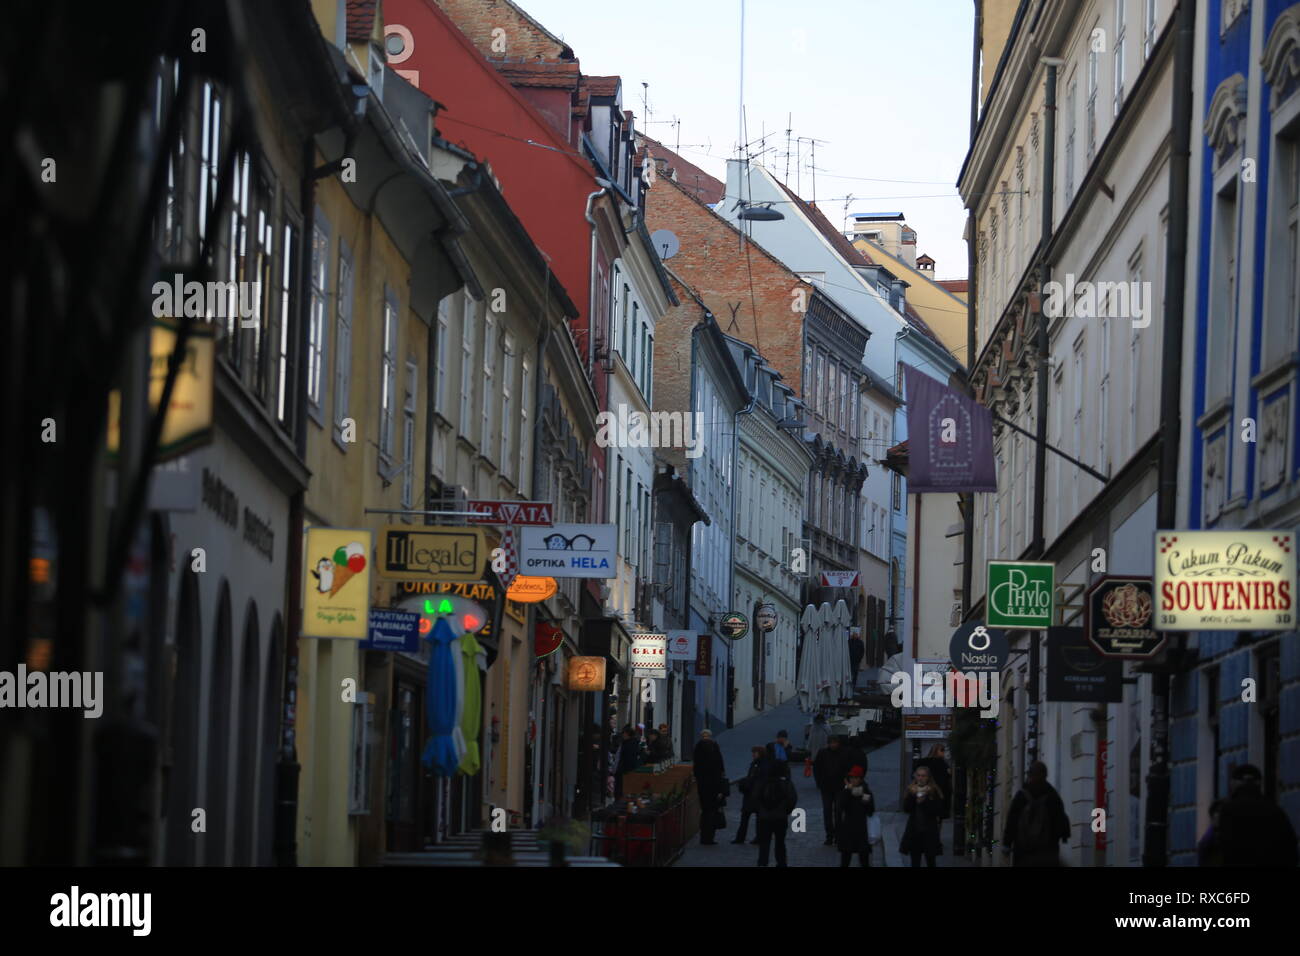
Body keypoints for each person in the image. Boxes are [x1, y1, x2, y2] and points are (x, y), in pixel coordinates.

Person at [1203, 764, 1299, 867]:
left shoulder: (1227, 811)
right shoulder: (1275, 810)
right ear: (1259, 784)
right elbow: (1290, 848)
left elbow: (1216, 847)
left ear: (1233, 784)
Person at [1002, 761, 1071, 867]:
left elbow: (1012, 821)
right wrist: (1063, 836)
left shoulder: (1021, 796)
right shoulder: (1052, 796)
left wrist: (1007, 844)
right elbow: (1060, 820)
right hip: (1047, 852)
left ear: (1029, 775)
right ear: (1045, 775)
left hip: (1023, 852)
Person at [755, 761, 798, 867]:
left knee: (764, 843)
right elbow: (792, 799)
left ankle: (762, 863)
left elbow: (755, 797)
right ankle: (781, 863)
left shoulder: (762, 781)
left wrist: (760, 810)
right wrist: (786, 811)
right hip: (780, 817)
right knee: (780, 842)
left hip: (764, 817)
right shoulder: (786, 783)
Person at [901, 765, 944, 867]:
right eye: (919, 775)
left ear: (928, 777)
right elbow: (906, 808)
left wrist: (925, 801)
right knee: (915, 861)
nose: (920, 778)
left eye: (923, 776)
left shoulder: (933, 791)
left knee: (931, 861)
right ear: (915, 776)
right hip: (914, 831)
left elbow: (938, 810)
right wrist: (913, 796)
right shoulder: (911, 790)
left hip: (929, 831)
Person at [692, 729, 727, 845]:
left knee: (706, 811)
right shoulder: (713, 747)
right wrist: (720, 789)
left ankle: (705, 837)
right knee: (711, 812)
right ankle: (709, 837)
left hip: (703, 785)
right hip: (713, 786)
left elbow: (696, 767)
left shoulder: (699, 748)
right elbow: (720, 768)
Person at [835, 765, 874, 867]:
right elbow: (840, 806)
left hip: (861, 830)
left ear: (861, 779)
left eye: (856, 777)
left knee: (864, 860)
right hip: (848, 830)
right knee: (845, 861)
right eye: (851, 777)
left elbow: (870, 810)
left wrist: (863, 798)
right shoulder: (846, 791)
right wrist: (848, 791)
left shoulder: (866, 791)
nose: (853, 780)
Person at [813, 736, 848, 845]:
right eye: (831, 743)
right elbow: (816, 768)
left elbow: (847, 768)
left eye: (835, 743)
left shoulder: (843, 753)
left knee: (838, 811)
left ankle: (838, 835)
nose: (833, 745)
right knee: (827, 811)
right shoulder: (823, 753)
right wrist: (819, 782)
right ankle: (829, 835)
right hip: (826, 787)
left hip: (839, 787)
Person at [732, 745, 768, 844]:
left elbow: (757, 780)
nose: (753, 754)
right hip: (750, 795)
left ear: (760, 753)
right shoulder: (755, 764)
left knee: (755, 818)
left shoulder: (762, 765)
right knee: (746, 817)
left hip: (756, 795)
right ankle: (741, 838)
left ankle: (756, 838)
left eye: (755, 752)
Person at [614, 725, 641, 798]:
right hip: (626, 769)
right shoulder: (631, 743)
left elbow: (627, 758)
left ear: (627, 734)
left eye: (623, 733)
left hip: (624, 770)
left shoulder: (628, 744)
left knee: (621, 788)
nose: (622, 735)